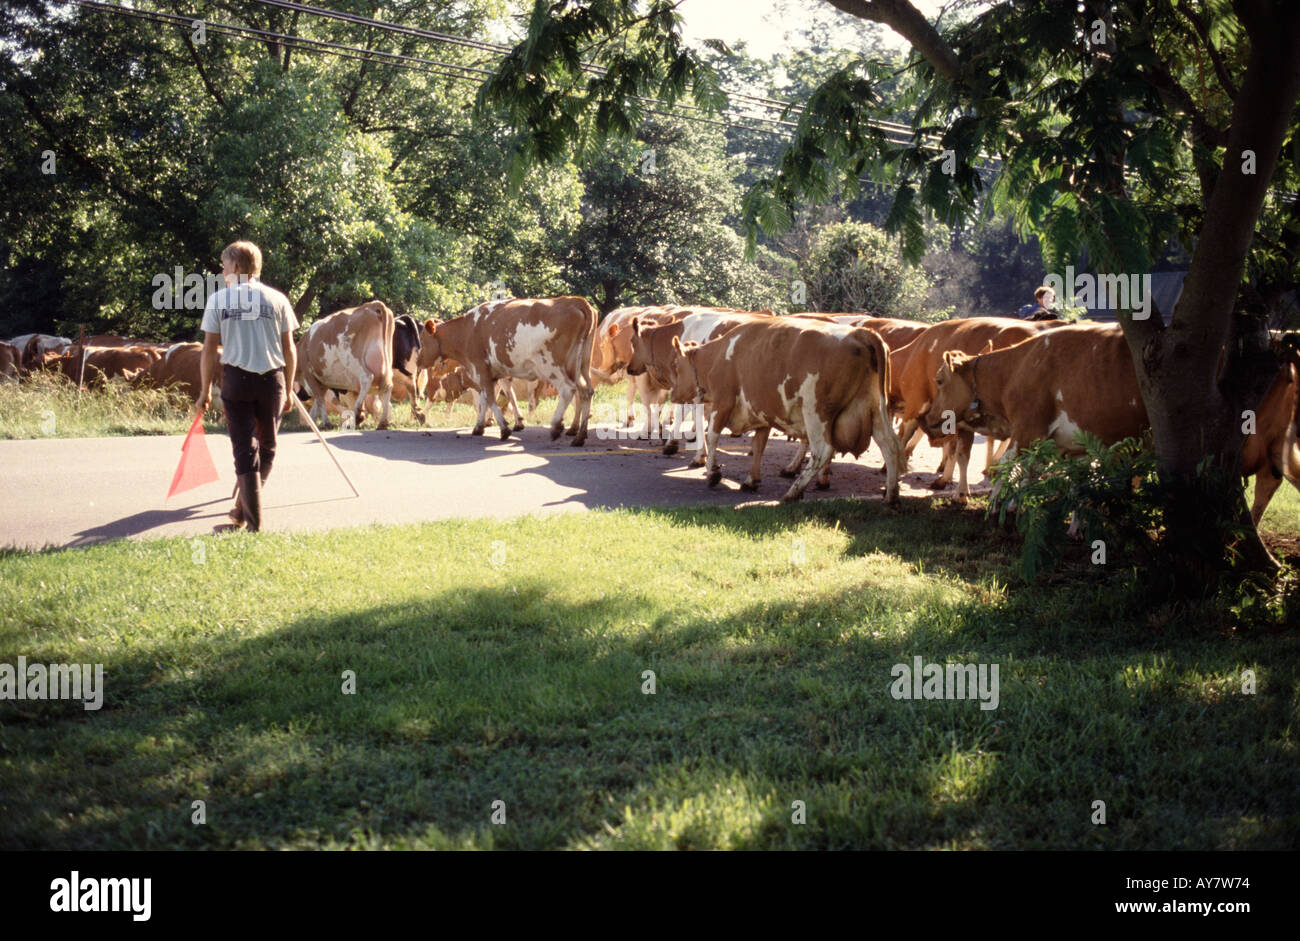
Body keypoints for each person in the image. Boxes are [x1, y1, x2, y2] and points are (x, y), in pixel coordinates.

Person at [194, 241, 299, 532]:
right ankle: (243, 514)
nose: (223, 270)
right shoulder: (278, 299)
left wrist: (204, 391)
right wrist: (289, 388)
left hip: (237, 381)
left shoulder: (219, 299)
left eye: (225, 265)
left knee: (244, 449)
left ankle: (248, 520)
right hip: (272, 382)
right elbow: (289, 349)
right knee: (268, 447)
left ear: (237, 267)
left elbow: (209, 349)